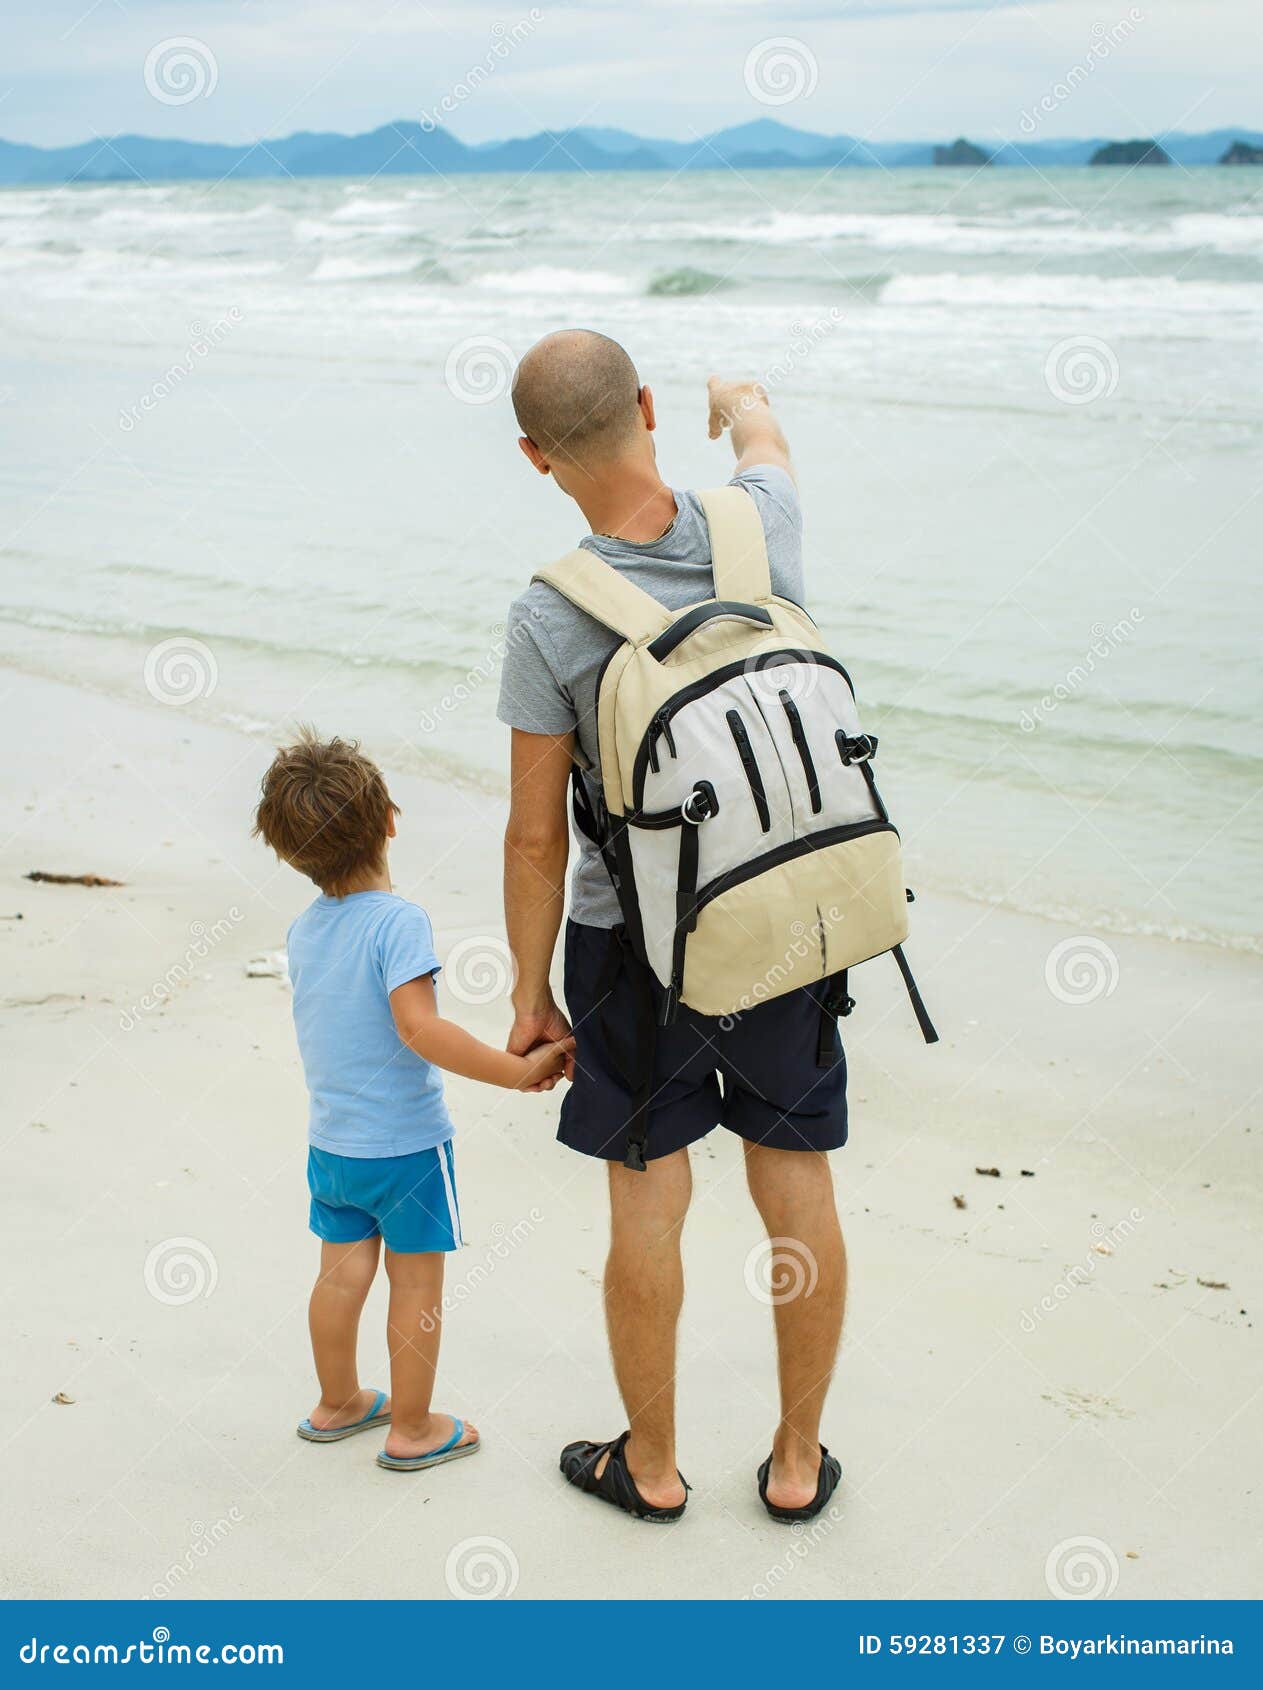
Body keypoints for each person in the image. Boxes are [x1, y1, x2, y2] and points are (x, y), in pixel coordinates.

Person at [496, 331, 846, 1523]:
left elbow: (537, 837)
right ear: (647, 404)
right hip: (789, 913)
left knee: (648, 1198)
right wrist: (740, 396)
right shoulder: (761, 525)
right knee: (796, 1186)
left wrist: (531, 993)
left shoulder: (550, 616)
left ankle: (648, 1468)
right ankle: (797, 1464)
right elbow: (767, 439)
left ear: (537, 458)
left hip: (635, 946)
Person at [252, 731, 570, 1473]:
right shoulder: (399, 923)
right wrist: (511, 1072)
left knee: (339, 1274)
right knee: (415, 1282)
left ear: (290, 852)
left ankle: (336, 1404)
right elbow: (417, 1027)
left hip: (332, 1145)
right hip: (405, 1148)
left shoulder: (304, 932)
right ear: (390, 819)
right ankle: (415, 1427)